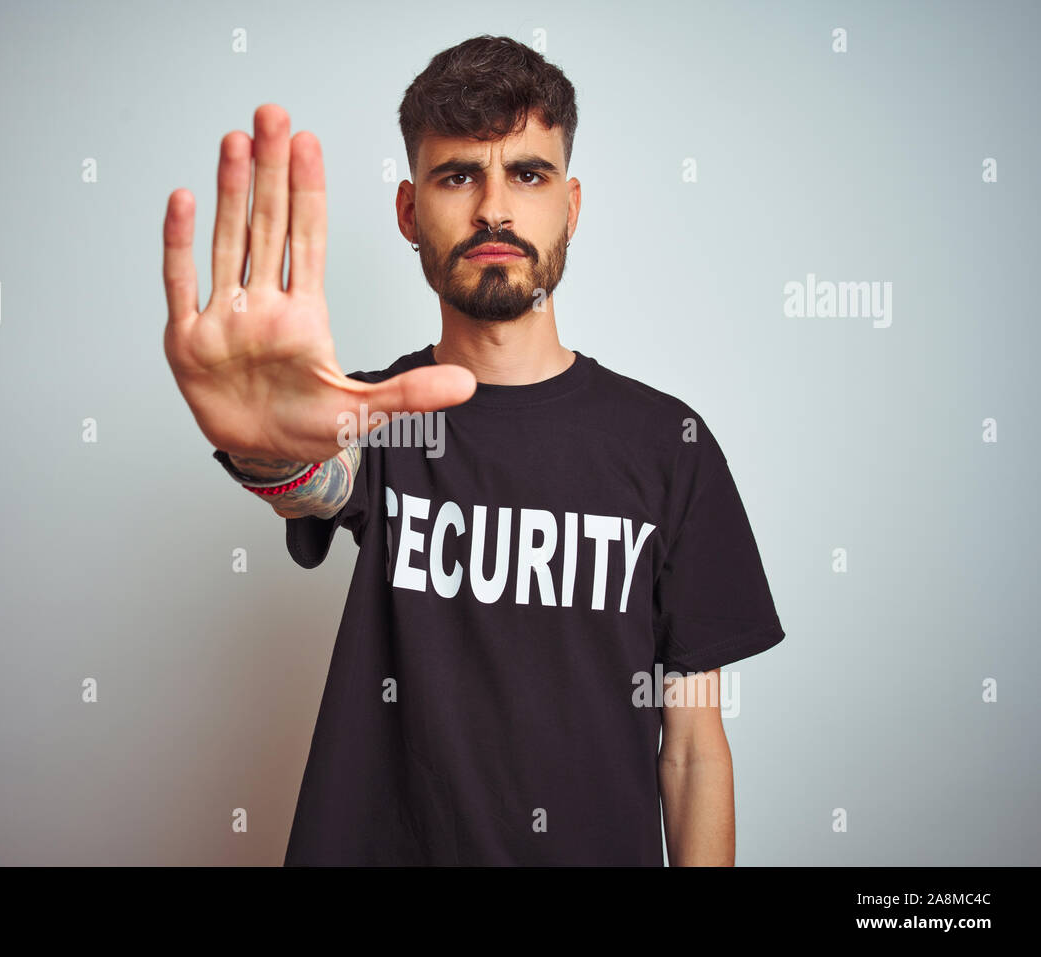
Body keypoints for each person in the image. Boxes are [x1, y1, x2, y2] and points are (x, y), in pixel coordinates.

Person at [161, 35, 785, 865]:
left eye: (527, 173)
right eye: (458, 175)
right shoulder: (375, 413)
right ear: (410, 212)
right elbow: (317, 475)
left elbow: (695, 743)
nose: (495, 208)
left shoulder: (669, 445)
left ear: (570, 203)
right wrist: (270, 453)